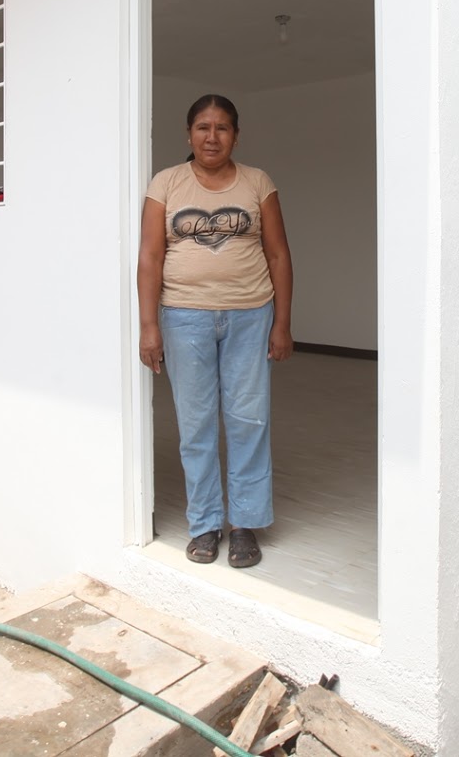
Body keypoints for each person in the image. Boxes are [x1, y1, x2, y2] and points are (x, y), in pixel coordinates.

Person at [138, 94, 293, 569]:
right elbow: (149, 257)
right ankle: (204, 523)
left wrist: (283, 322)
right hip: (184, 316)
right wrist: (149, 326)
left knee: (248, 420)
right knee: (197, 423)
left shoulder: (257, 183)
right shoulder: (166, 184)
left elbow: (278, 255)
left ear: (236, 135)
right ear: (188, 134)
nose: (212, 136)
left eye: (222, 128)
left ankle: (244, 524)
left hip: (250, 314)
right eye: (203, 127)